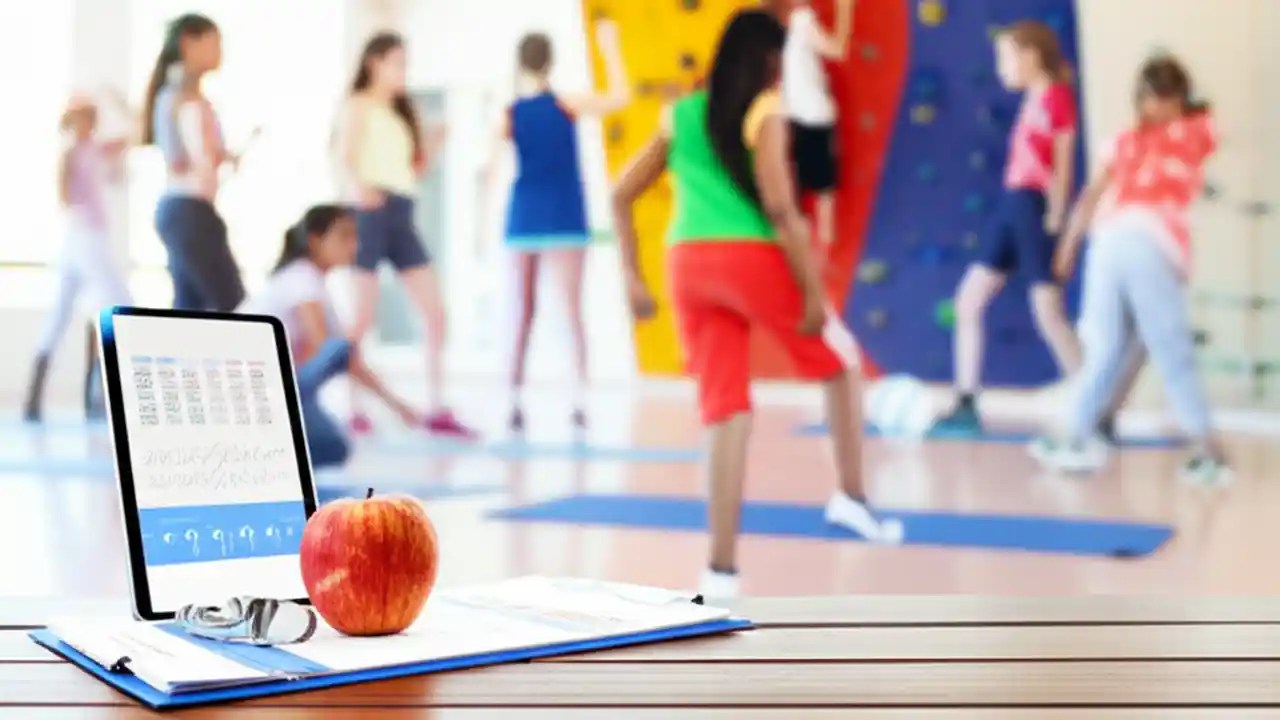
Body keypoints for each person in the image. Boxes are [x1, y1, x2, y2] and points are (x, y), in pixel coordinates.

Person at [611, 10, 903, 600]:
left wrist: (633, 282)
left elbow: (621, 193)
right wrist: (814, 291)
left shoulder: (681, 113)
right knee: (841, 364)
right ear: (771, 62)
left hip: (686, 262)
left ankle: (720, 571)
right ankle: (852, 499)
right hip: (750, 259)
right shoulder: (766, 109)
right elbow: (778, 206)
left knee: (725, 411)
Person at [1033, 56, 1228, 483]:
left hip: (1116, 239)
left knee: (1115, 345)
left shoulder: (1132, 140)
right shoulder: (1187, 132)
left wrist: (1069, 245)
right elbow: (1093, 193)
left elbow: (1091, 195)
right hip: (1140, 239)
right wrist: (1068, 244)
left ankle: (1077, 434)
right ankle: (1204, 448)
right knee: (1162, 344)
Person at [935, 20, 1081, 432]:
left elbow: (1062, 166)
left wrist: (1055, 219)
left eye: (1006, 58)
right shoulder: (1033, 98)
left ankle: (1093, 399)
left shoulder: (1056, 98)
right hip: (1010, 204)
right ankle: (966, 400)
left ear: (1031, 57)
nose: (1001, 68)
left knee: (1047, 311)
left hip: (1033, 207)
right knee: (968, 301)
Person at [489, 21, 630, 431]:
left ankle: (516, 401)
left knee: (525, 311)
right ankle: (577, 401)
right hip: (560, 212)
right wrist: (610, 46)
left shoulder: (511, 113)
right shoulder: (565, 103)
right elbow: (620, 96)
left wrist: (483, 229)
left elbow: (489, 170)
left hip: (531, 214)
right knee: (569, 311)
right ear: (550, 61)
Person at [335, 32, 475, 440]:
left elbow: (412, 172)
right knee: (360, 319)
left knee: (435, 313)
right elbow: (342, 158)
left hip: (402, 211)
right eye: (397, 62)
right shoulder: (358, 105)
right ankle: (353, 407)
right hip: (367, 213)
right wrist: (357, 190)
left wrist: (432, 143)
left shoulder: (401, 113)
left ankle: (436, 405)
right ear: (374, 62)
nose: (402, 72)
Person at [239, 205, 422, 469]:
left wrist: (398, 407)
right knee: (339, 349)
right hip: (260, 385)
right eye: (344, 236)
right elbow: (330, 351)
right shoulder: (301, 279)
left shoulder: (315, 284)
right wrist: (398, 406)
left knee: (333, 448)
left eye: (355, 237)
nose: (354, 245)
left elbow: (343, 359)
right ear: (315, 240)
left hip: (283, 386)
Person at [23, 93, 133, 422]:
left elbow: (130, 138)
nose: (91, 124)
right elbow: (64, 191)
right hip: (84, 239)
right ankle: (97, 393)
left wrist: (116, 101)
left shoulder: (90, 151)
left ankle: (91, 393)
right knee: (116, 306)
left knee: (82, 311)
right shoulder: (75, 152)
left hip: (78, 239)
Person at [142, 13, 249, 312]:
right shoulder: (176, 98)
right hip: (187, 211)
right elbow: (179, 160)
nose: (220, 52)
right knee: (230, 303)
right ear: (189, 42)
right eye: (214, 42)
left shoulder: (193, 99)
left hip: (191, 210)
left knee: (189, 309)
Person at [778, 0, 854, 248]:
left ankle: (804, 263)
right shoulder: (800, 20)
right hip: (810, 115)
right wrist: (845, 9)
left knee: (797, 197)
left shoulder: (780, 21)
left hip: (793, 116)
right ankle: (818, 264)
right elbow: (839, 49)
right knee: (822, 198)